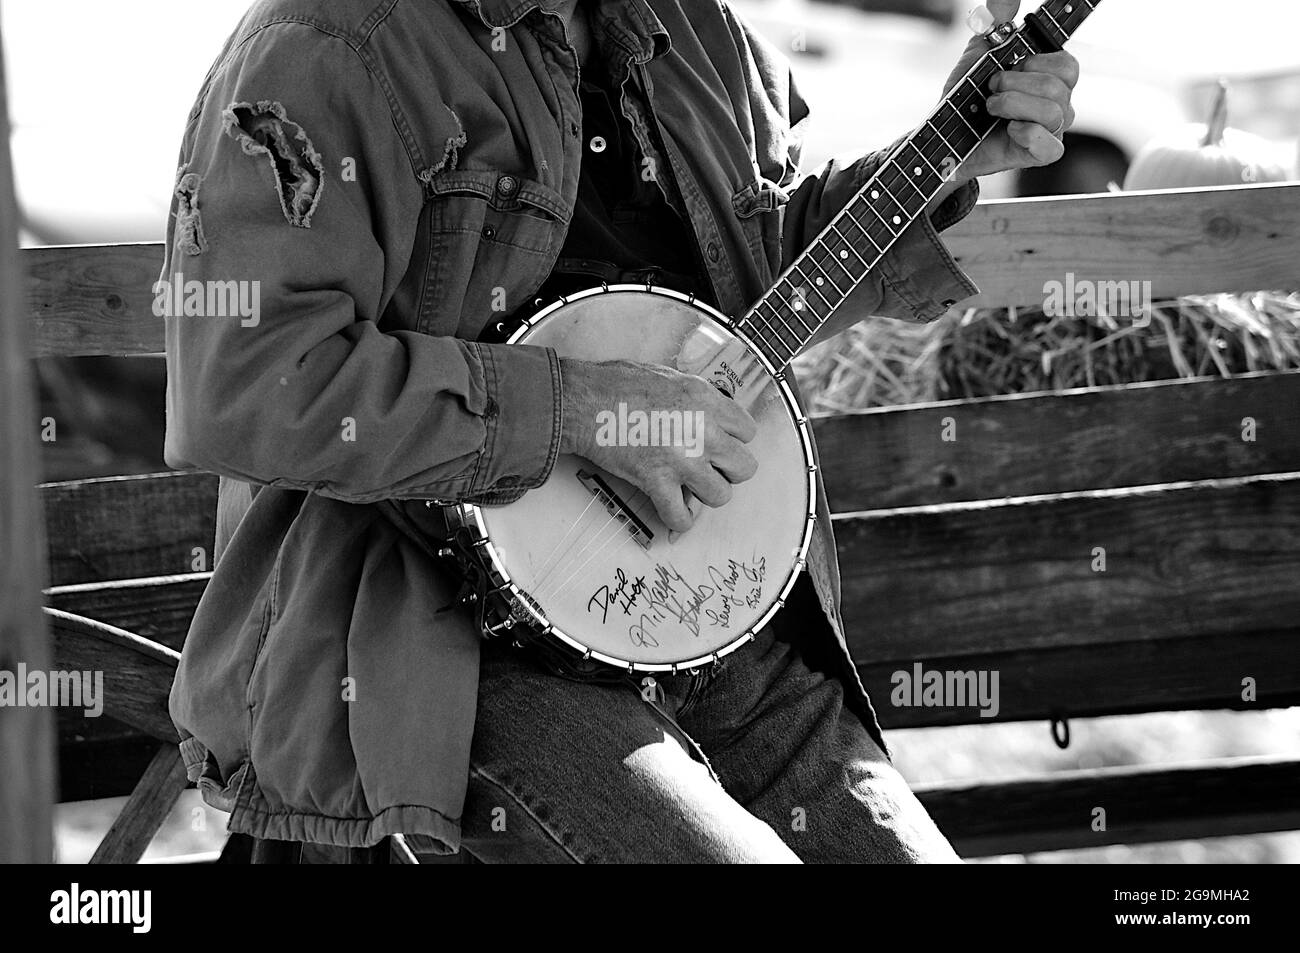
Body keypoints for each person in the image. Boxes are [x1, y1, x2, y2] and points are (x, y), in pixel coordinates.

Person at [163, 0, 1077, 862]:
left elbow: (759, 268)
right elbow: (248, 387)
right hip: (439, 646)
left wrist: (945, 151)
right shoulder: (326, 45)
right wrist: (587, 412)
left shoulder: (689, 25)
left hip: (705, 612)